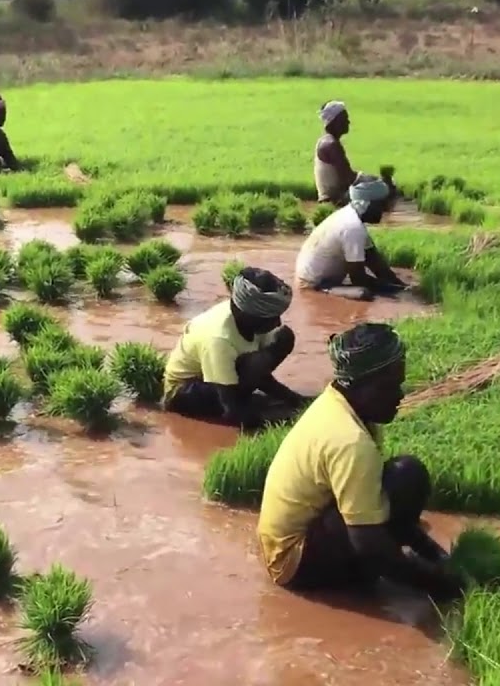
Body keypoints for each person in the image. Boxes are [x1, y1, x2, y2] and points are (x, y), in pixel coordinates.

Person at [256, 323, 461, 598]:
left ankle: (370, 569)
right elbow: (368, 542)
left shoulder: (342, 402)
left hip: (301, 535)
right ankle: (358, 577)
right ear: (362, 384)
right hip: (294, 564)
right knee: (402, 480)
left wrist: (433, 553)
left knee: (405, 476)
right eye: (389, 387)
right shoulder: (350, 439)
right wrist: (444, 586)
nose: (400, 395)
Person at [161, 268, 308, 429]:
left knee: (284, 337)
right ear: (252, 316)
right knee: (253, 412)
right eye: (272, 318)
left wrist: (294, 399)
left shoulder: (249, 318)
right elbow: (231, 411)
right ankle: (250, 405)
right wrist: (279, 422)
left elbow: (259, 373)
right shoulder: (219, 340)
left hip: (218, 380)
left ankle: (247, 399)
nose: (277, 323)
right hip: (185, 391)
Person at [294, 174, 407, 301]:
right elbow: (358, 278)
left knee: (383, 286)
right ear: (368, 203)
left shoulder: (352, 218)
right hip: (313, 284)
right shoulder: (352, 227)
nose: (384, 211)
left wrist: (401, 286)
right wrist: (391, 293)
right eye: (381, 205)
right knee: (363, 293)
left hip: (322, 278)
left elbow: (374, 261)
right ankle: (323, 292)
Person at [314, 101, 357, 206]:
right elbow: (348, 178)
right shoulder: (331, 145)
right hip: (334, 200)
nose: (348, 122)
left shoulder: (327, 141)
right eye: (344, 119)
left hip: (332, 198)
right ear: (335, 121)